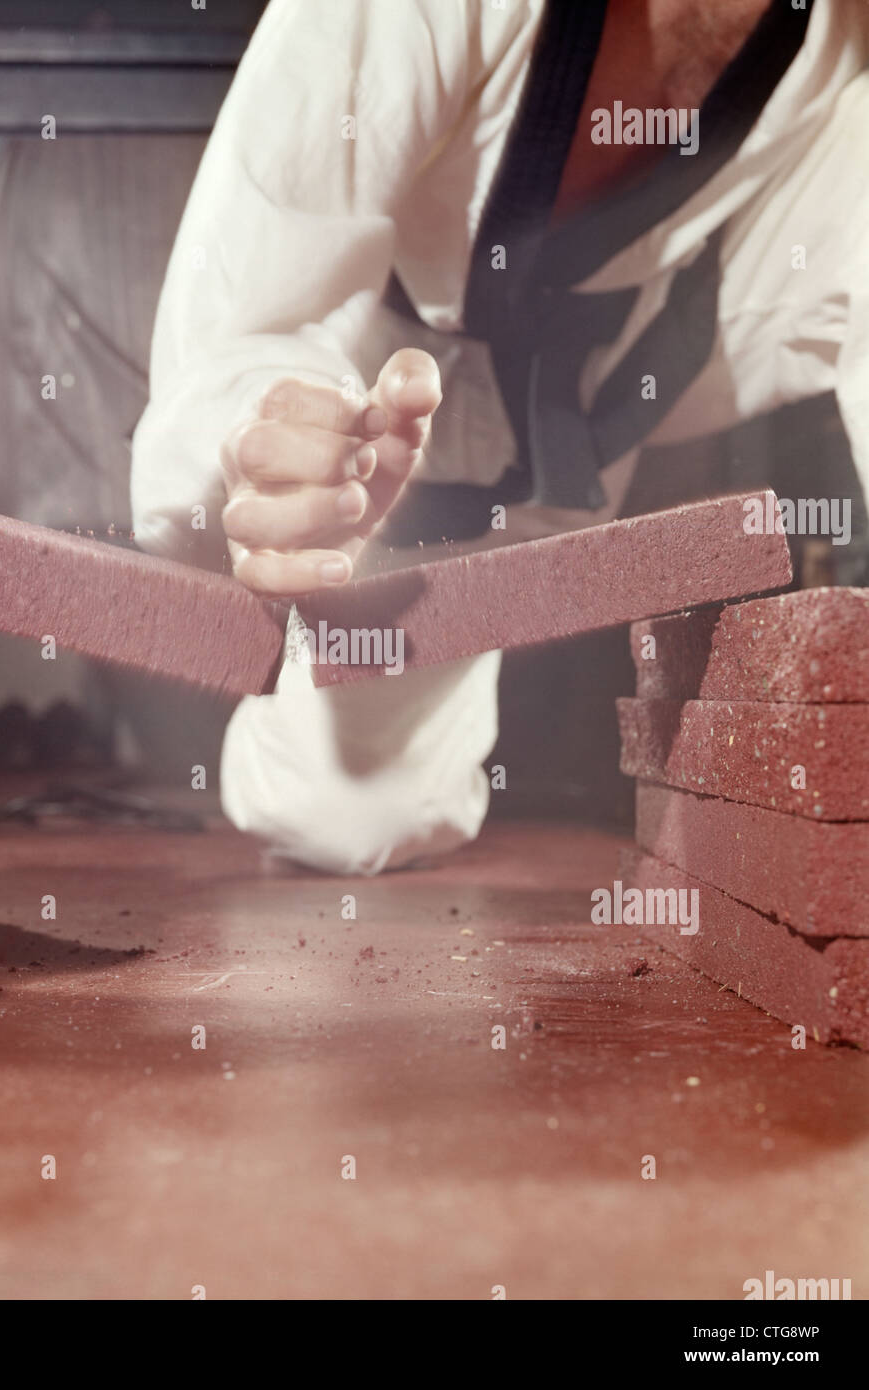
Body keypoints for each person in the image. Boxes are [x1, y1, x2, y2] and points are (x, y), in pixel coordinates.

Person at [131, 0, 869, 875]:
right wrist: (281, 454)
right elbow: (245, 313)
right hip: (388, 434)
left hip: (625, 375)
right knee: (346, 812)